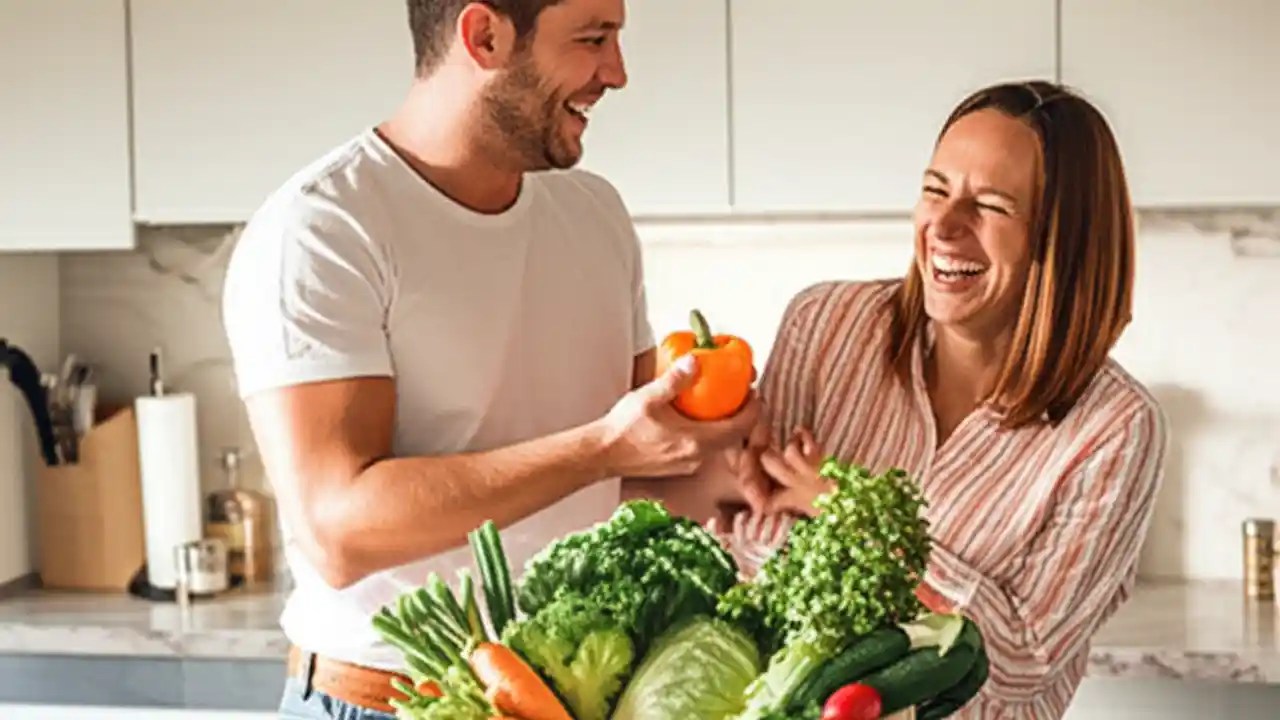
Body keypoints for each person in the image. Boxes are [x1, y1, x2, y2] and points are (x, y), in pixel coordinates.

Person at [220, 1, 759, 717]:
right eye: (593, 39)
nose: (616, 73)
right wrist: (601, 447)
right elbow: (338, 530)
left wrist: (736, 481)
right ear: (485, 35)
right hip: (388, 702)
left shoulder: (594, 215)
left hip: (567, 697)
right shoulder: (325, 230)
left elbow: (626, 479)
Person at [695, 81, 1168, 719]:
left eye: (991, 205)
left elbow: (1021, 656)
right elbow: (749, 546)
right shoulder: (826, 324)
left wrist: (847, 512)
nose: (943, 227)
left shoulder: (1114, 428)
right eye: (935, 190)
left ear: (1064, 239)